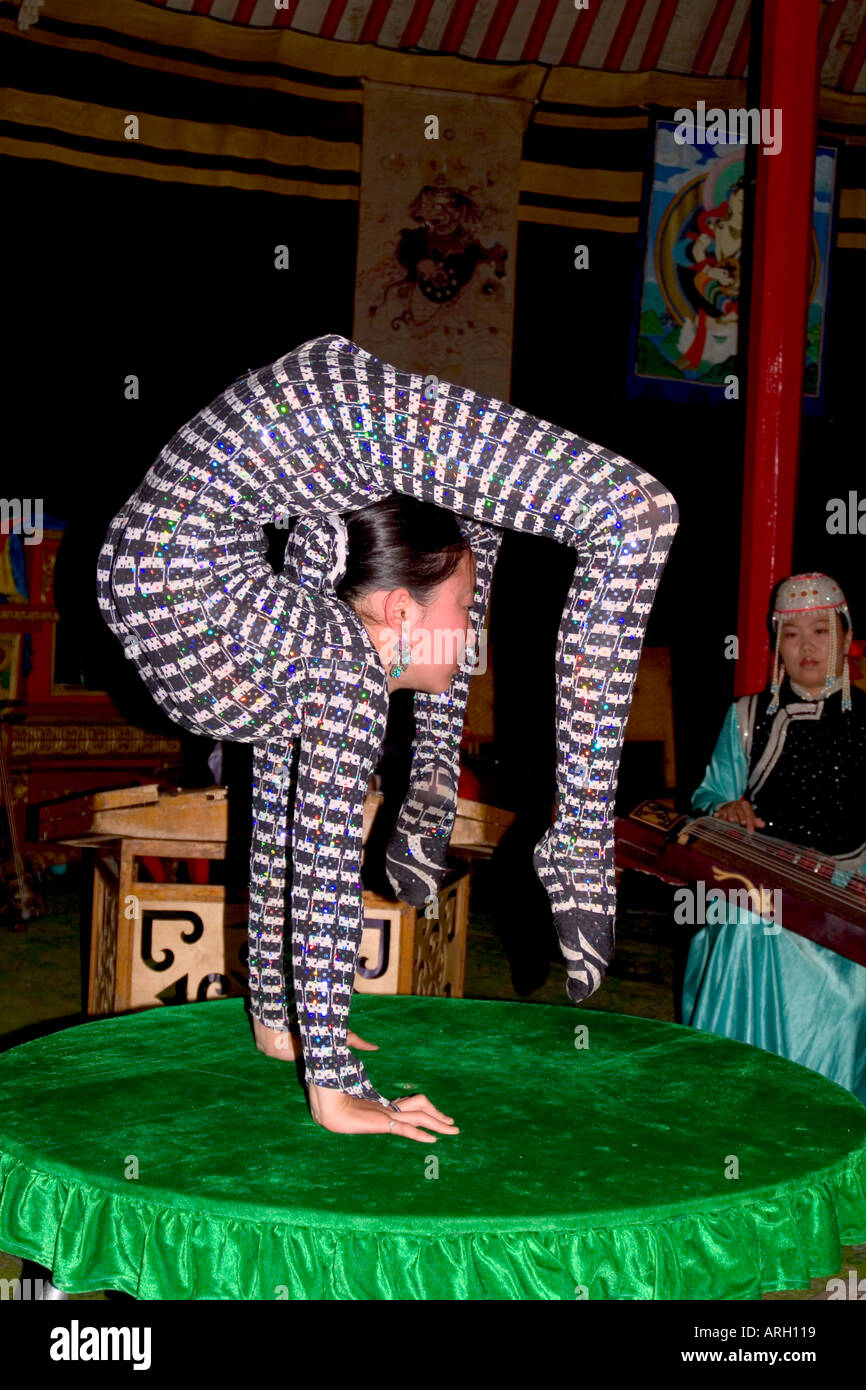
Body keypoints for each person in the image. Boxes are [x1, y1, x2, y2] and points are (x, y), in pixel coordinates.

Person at [97, 331, 678, 1140]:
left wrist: (282, 1018)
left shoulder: (285, 633)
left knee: (487, 529)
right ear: (401, 612)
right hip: (311, 434)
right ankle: (577, 837)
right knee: (637, 512)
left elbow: (279, 812)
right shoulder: (333, 661)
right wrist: (334, 1086)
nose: (471, 635)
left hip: (201, 533)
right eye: (462, 612)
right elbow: (323, 862)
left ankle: (434, 782)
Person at [681, 573, 866, 1104]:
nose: (806, 647)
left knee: (845, 994)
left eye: (820, 631)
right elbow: (706, 799)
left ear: (845, 635)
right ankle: (733, 1102)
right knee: (742, 919)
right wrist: (726, 808)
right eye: (791, 634)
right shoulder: (745, 716)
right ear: (775, 644)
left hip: (844, 898)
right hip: (762, 886)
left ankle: (822, 1118)